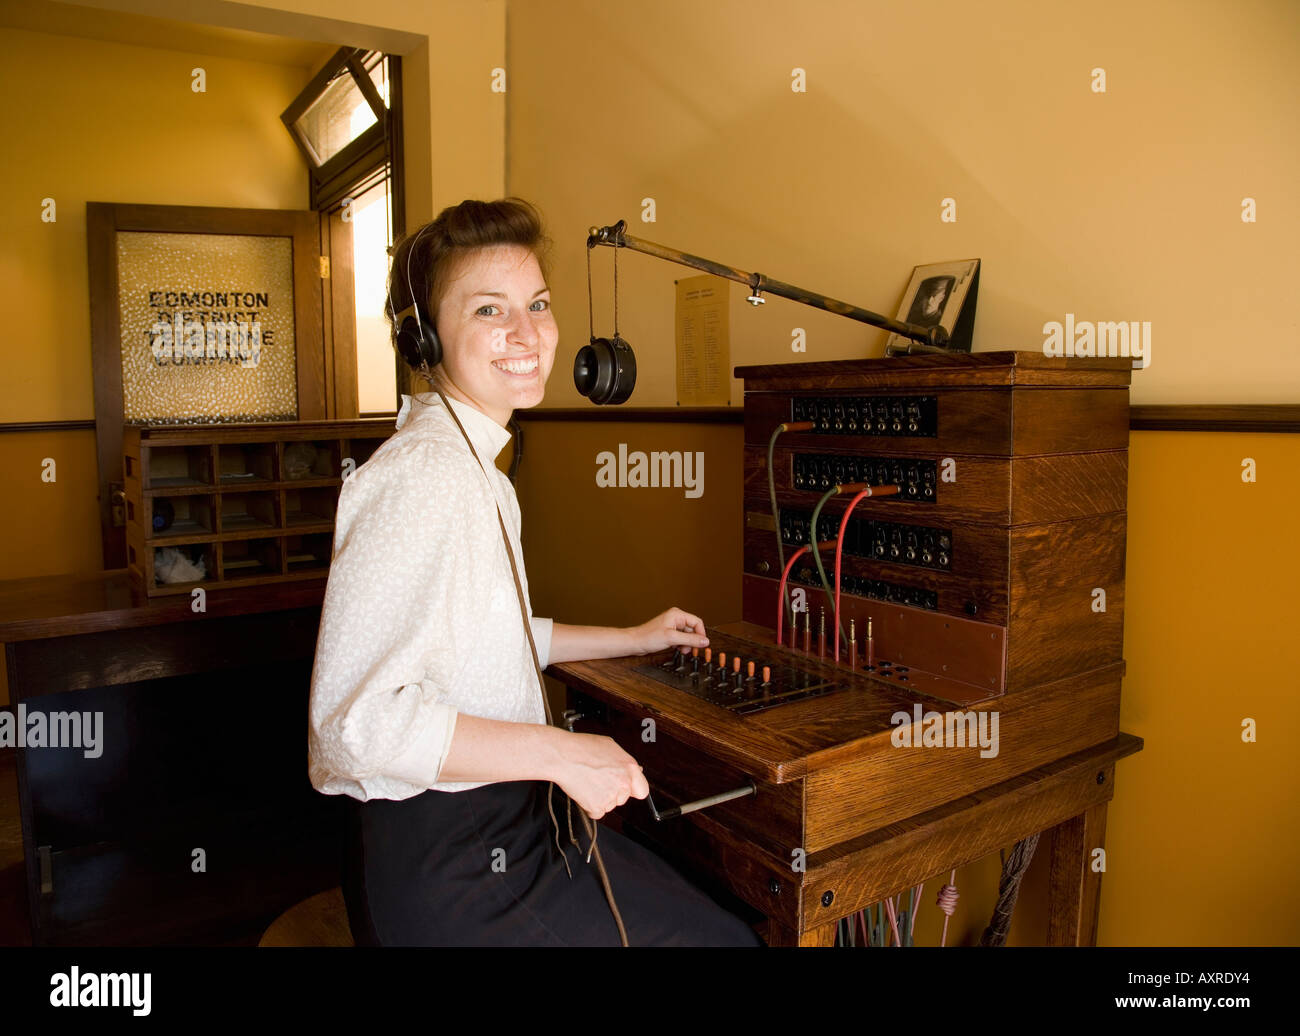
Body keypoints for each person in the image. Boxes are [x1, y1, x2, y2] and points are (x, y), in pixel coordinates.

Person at [308, 197, 761, 947]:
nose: (526, 335)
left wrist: (631, 636)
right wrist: (561, 752)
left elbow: (490, 634)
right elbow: (353, 729)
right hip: (454, 868)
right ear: (426, 336)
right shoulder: (422, 478)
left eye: (539, 305)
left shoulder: (474, 463)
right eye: (490, 310)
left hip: (507, 825)